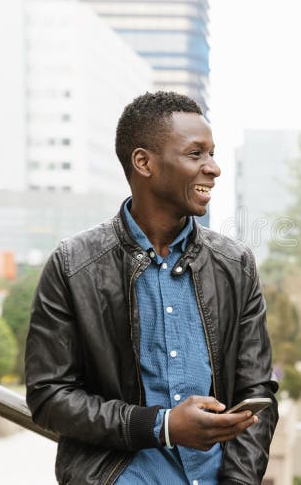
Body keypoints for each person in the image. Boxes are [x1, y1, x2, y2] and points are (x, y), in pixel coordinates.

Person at [25, 91, 278, 485]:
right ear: (144, 162)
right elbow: (49, 396)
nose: (213, 168)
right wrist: (161, 426)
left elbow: (258, 393)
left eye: (212, 153)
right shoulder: (72, 264)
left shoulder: (236, 264)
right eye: (196, 154)